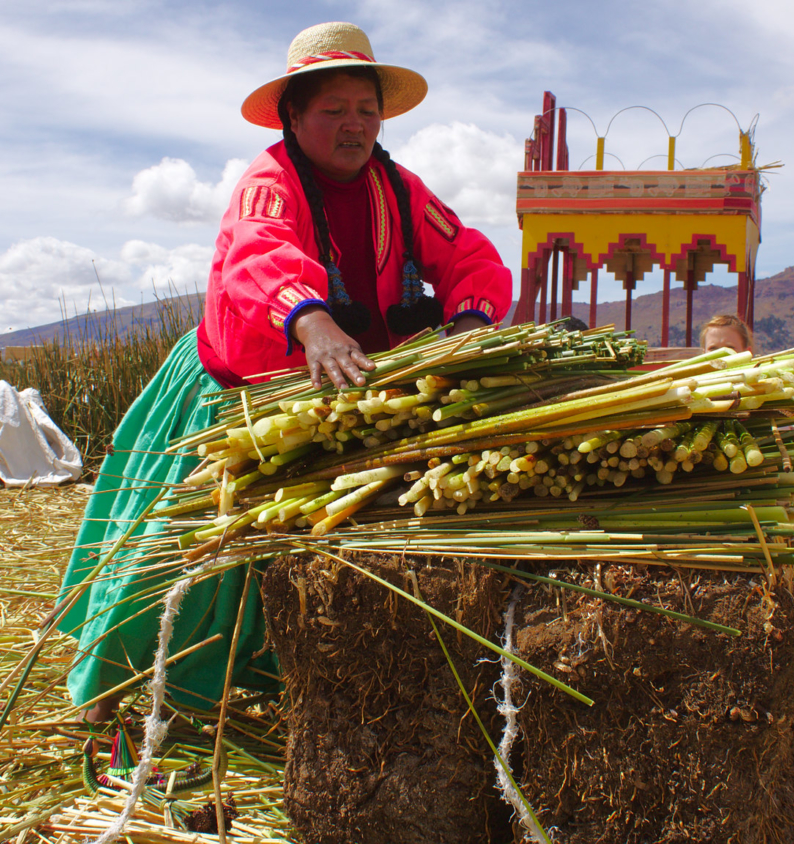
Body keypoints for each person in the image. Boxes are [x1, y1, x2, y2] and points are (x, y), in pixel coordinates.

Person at [57, 21, 513, 723]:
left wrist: (471, 325)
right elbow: (255, 254)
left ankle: (287, 684)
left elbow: (473, 259)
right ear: (293, 115)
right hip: (242, 393)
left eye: (367, 110)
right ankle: (120, 692)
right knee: (190, 547)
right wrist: (313, 320)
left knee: (308, 552)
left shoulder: (401, 189)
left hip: (342, 396)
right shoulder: (268, 182)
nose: (354, 126)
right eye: (334, 110)